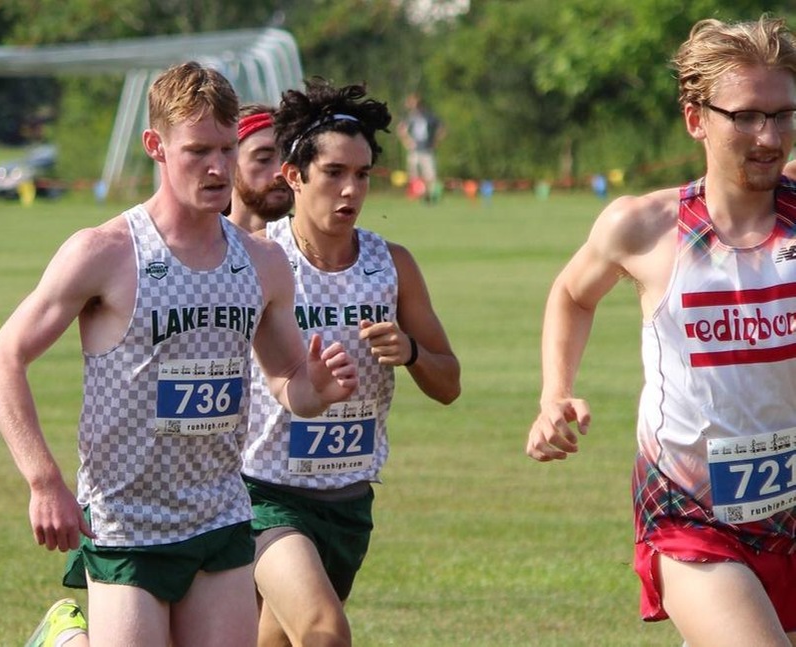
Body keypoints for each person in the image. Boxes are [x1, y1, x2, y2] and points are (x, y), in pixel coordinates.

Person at [0, 61, 359, 647]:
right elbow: (3, 359)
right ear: (155, 146)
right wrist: (43, 479)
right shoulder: (105, 252)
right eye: (197, 150)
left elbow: (287, 379)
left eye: (227, 150)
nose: (217, 168)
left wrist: (316, 388)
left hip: (219, 516)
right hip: (126, 523)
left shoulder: (260, 263)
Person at [526, 15, 796, 646]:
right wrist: (553, 394)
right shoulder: (643, 226)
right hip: (688, 513)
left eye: (783, 115)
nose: (768, 136)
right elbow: (571, 294)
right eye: (747, 116)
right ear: (696, 118)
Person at [240, 79, 460, 647]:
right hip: (266, 493)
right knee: (323, 630)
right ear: (294, 176)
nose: (350, 190)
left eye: (362, 175)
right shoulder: (259, 259)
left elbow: (449, 384)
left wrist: (409, 353)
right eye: (334, 172)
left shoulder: (392, 266)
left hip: (349, 497)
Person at [227, 104, 293, 234]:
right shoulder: (203, 246)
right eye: (264, 159)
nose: (281, 172)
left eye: (288, 159)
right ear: (229, 164)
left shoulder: (317, 246)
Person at [395, 93, 444, 203]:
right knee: (414, 175)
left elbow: (441, 128)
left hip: (427, 150)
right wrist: (407, 141)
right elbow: (401, 130)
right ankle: (417, 195)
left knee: (430, 175)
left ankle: (430, 196)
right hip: (414, 151)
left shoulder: (429, 116)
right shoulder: (409, 117)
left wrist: (436, 141)